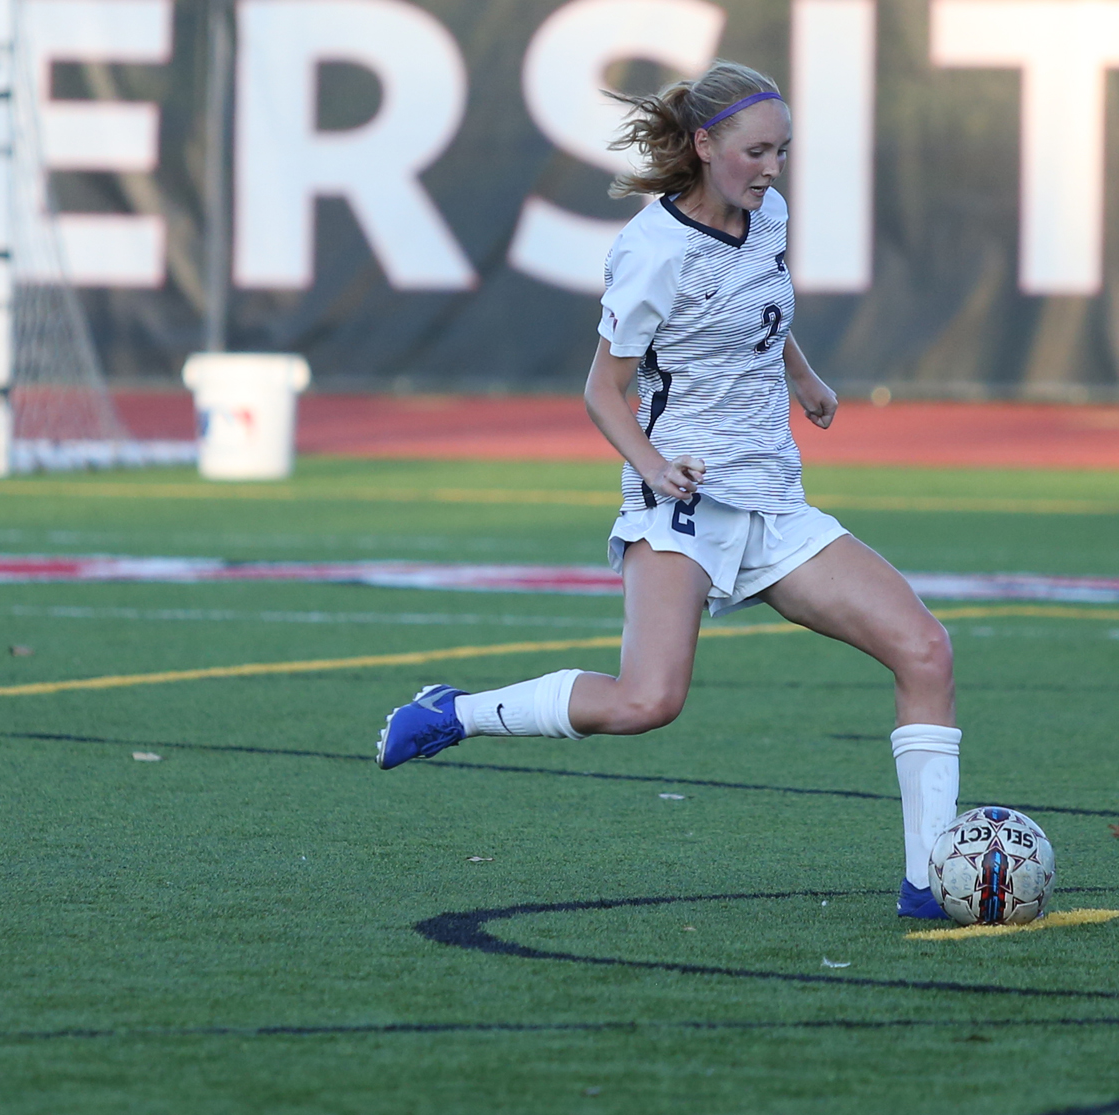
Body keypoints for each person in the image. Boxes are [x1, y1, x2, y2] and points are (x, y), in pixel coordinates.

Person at [375, 61, 963, 919]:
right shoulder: (653, 253)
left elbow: (762, 312)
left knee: (926, 651)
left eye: (782, 151)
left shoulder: (769, 217)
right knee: (646, 700)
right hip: (681, 504)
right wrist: (652, 466)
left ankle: (928, 885)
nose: (771, 168)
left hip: (772, 501)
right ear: (704, 144)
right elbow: (600, 390)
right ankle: (457, 711)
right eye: (756, 151)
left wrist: (803, 377)